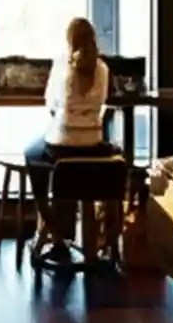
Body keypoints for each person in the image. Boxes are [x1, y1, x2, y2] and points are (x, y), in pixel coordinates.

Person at [23, 18, 116, 247]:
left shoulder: (62, 64)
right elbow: (103, 101)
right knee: (72, 169)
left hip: (61, 143)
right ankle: (70, 231)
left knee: (31, 154)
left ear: (69, 40)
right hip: (93, 144)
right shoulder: (103, 69)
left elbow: (51, 104)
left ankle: (51, 224)